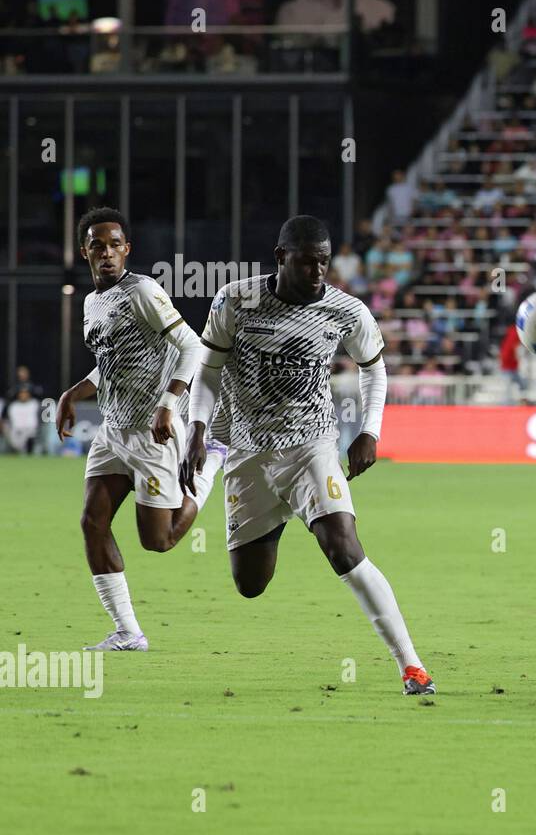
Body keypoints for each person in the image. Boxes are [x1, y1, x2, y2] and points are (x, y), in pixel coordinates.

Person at [181, 215, 435, 696]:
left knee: (343, 547)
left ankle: (412, 666)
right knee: (250, 584)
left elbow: (373, 371)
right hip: (247, 452)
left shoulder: (346, 311)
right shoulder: (236, 299)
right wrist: (197, 427)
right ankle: (279, 515)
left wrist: (369, 431)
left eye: (324, 261)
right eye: (307, 262)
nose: (318, 272)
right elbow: (209, 369)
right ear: (280, 258)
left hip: (312, 447)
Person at [54, 207, 225, 652]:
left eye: (115, 245)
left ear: (127, 249)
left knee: (159, 540)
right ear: (84, 252)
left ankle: (209, 469)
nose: (107, 253)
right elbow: (111, 360)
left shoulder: (143, 291)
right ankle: (129, 632)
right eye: (98, 246)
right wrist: (75, 391)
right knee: (92, 521)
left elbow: (191, 345)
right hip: (113, 431)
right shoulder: (92, 302)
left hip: (155, 433)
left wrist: (169, 405)